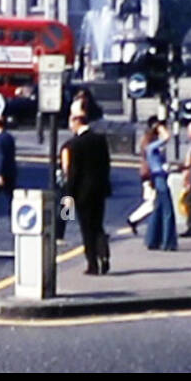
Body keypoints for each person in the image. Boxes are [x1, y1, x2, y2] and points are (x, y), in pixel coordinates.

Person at [63, 112, 112, 274]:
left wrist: (68, 195)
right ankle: (104, 255)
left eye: (71, 122)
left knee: (87, 228)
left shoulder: (75, 144)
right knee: (98, 225)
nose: (70, 126)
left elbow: (73, 173)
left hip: (82, 193)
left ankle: (92, 263)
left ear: (77, 122)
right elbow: (106, 165)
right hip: (99, 190)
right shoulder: (100, 140)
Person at [143, 122, 177, 251]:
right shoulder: (151, 147)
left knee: (158, 209)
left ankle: (153, 240)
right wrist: (161, 128)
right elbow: (167, 138)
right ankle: (168, 242)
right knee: (168, 210)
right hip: (160, 178)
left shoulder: (153, 148)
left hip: (159, 177)